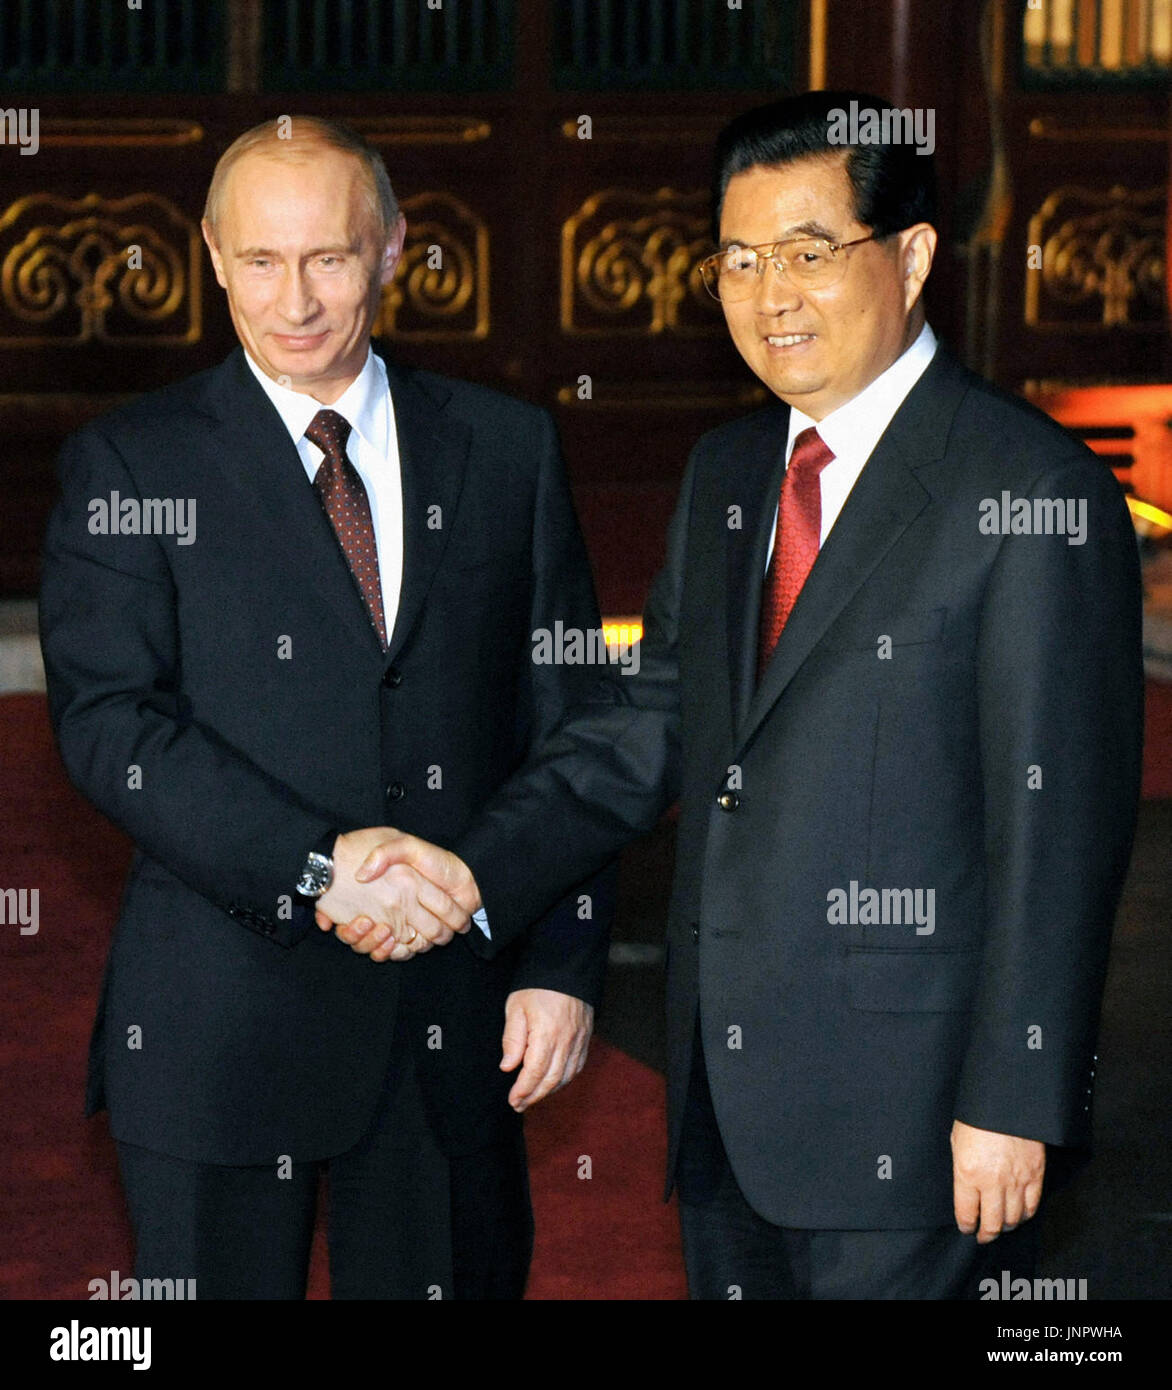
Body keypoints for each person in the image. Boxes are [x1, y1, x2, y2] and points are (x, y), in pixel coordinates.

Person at [323, 92, 1144, 1299]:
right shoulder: (730, 470)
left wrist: (1015, 1098)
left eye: (810, 254)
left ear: (910, 257)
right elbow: (644, 729)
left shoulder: (1025, 494)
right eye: (739, 260)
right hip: (726, 1098)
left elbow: (1059, 831)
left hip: (920, 1122)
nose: (770, 296)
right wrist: (471, 867)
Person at [38, 116, 609, 1300]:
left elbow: (571, 724)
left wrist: (562, 955)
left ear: (394, 250)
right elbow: (111, 725)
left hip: (453, 1025)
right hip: (220, 1027)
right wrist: (315, 868)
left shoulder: (505, 450)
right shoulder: (131, 466)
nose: (294, 299)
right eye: (259, 261)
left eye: (329, 258)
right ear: (208, 254)